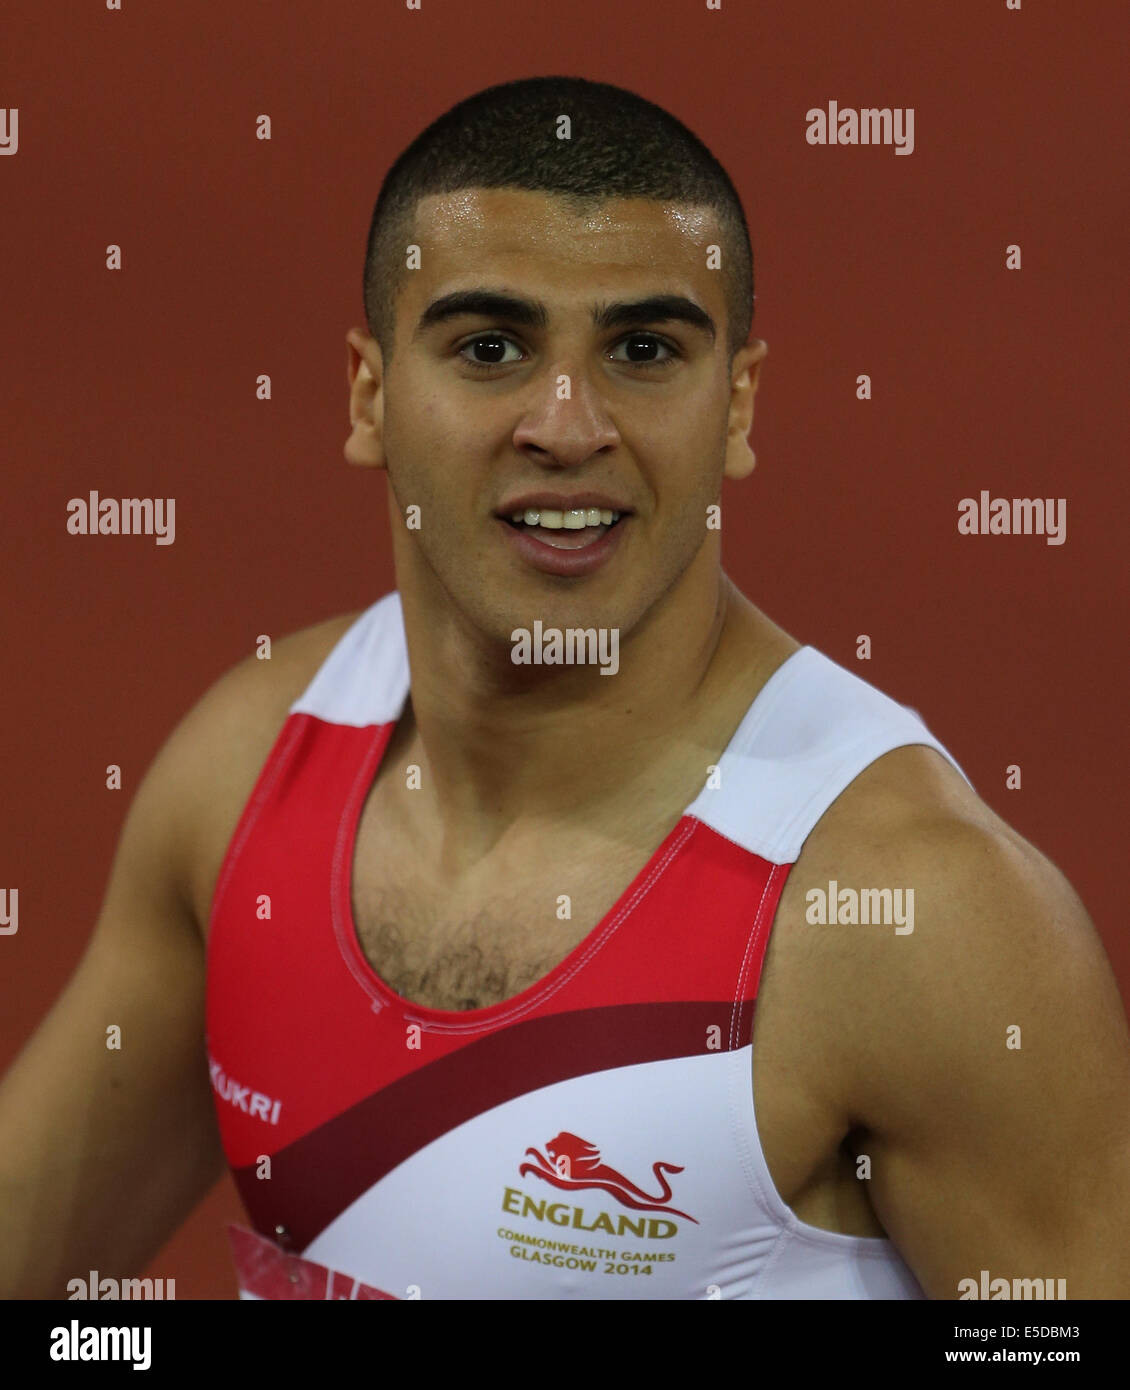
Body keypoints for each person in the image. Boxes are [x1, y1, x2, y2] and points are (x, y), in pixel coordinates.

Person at [3, 76, 1128, 1302]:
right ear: (370, 394)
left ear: (737, 405)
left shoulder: (914, 917)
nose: (567, 423)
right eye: (491, 348)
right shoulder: (248, 769)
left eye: (642, 351)